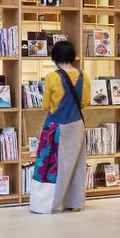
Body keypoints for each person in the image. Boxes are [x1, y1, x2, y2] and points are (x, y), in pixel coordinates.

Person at [40, 39, 89, 211]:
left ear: (55, 57)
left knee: (56, 164)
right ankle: (75, 203)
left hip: (57, 125)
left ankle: (55, 204)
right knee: (76, 164)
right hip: (76, 124)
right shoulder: (83, 75)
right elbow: (84, 102)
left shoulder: (52, 77)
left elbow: (45, 105)